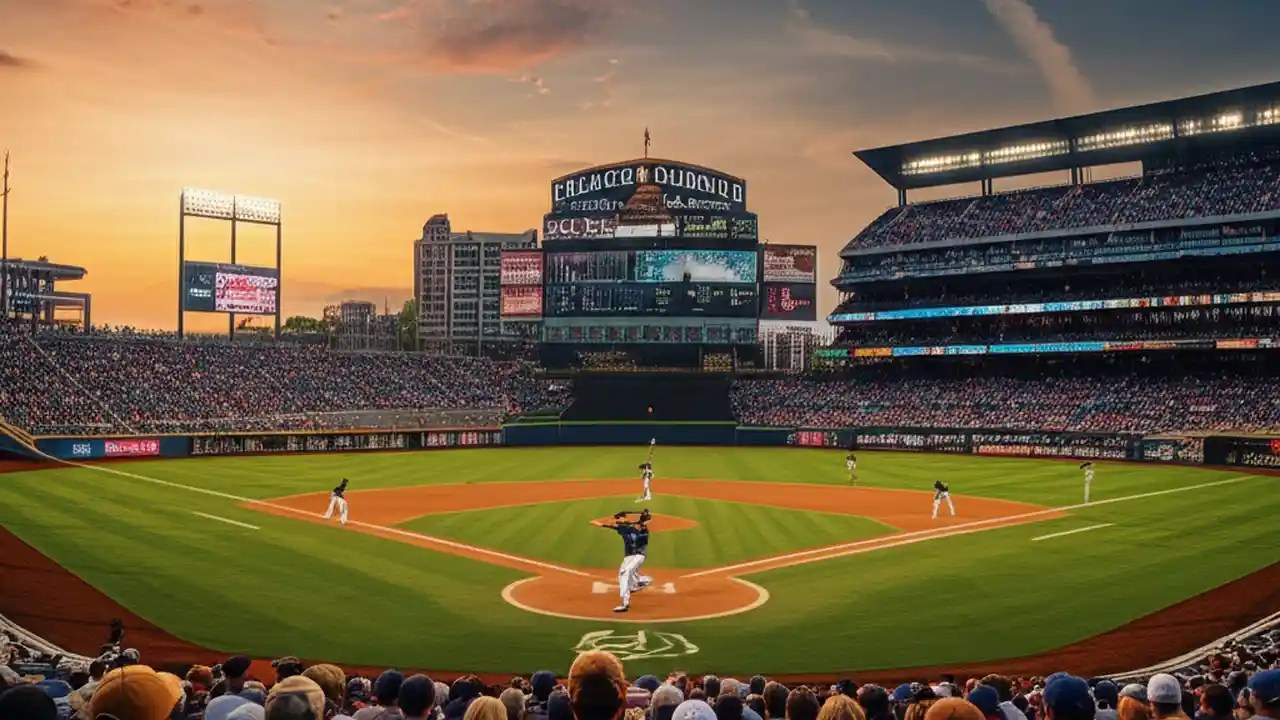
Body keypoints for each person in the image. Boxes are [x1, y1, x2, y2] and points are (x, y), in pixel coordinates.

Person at [599, 510, 653, 612]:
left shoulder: (644, 531)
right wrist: (615, 518)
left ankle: (625, 604)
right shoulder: (626, 528)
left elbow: (640, 527)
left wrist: (640, 521)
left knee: (625, 573)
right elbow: (610, 524)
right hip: (629, 557)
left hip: (638, 556)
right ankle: (640, 582)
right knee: (622, 573)